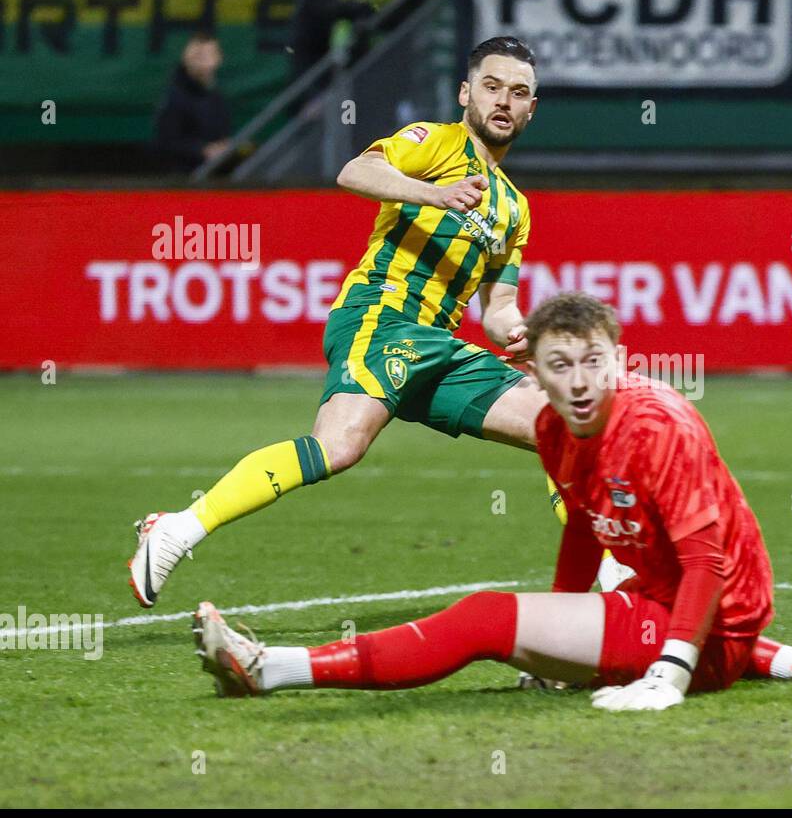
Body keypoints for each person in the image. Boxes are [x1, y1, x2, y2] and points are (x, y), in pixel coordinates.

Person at [191, 293, 792, 707]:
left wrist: (669, 674)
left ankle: (270, 668)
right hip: (666, 603)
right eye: (559, 365)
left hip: (704, 624)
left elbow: (709, 564)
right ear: (533, 371)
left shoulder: (659, 427)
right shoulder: (551, 426)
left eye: (593, 362)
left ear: (619, 359)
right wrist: (560, 630)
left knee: (482, 619)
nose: (578, 381)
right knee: (523, 629)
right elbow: (581, 529)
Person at [129, 36, 566, 608]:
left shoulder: (515, 208)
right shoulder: (436, 143)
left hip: (436, 344)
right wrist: (432, 194)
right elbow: (356, 171)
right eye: (491, 86)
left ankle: (613, 580)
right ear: (465, 93)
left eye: (518, 92)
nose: (503, 101)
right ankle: (179, 529)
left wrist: (519, 333)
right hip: (382, 318)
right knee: (337, 446)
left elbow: (499, 305)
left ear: (532, 108)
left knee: (561, 423)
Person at [153, 31, 233, 173]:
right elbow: (165, 143)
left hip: (215, 176)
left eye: (208, 55)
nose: (203, 61)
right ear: (186, 58)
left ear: (218, 58)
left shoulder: (217, 98)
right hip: (182, 179)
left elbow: (223, 136)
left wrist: (223, 147)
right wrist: (202, 150)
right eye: (197, 56)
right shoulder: (174, 97)